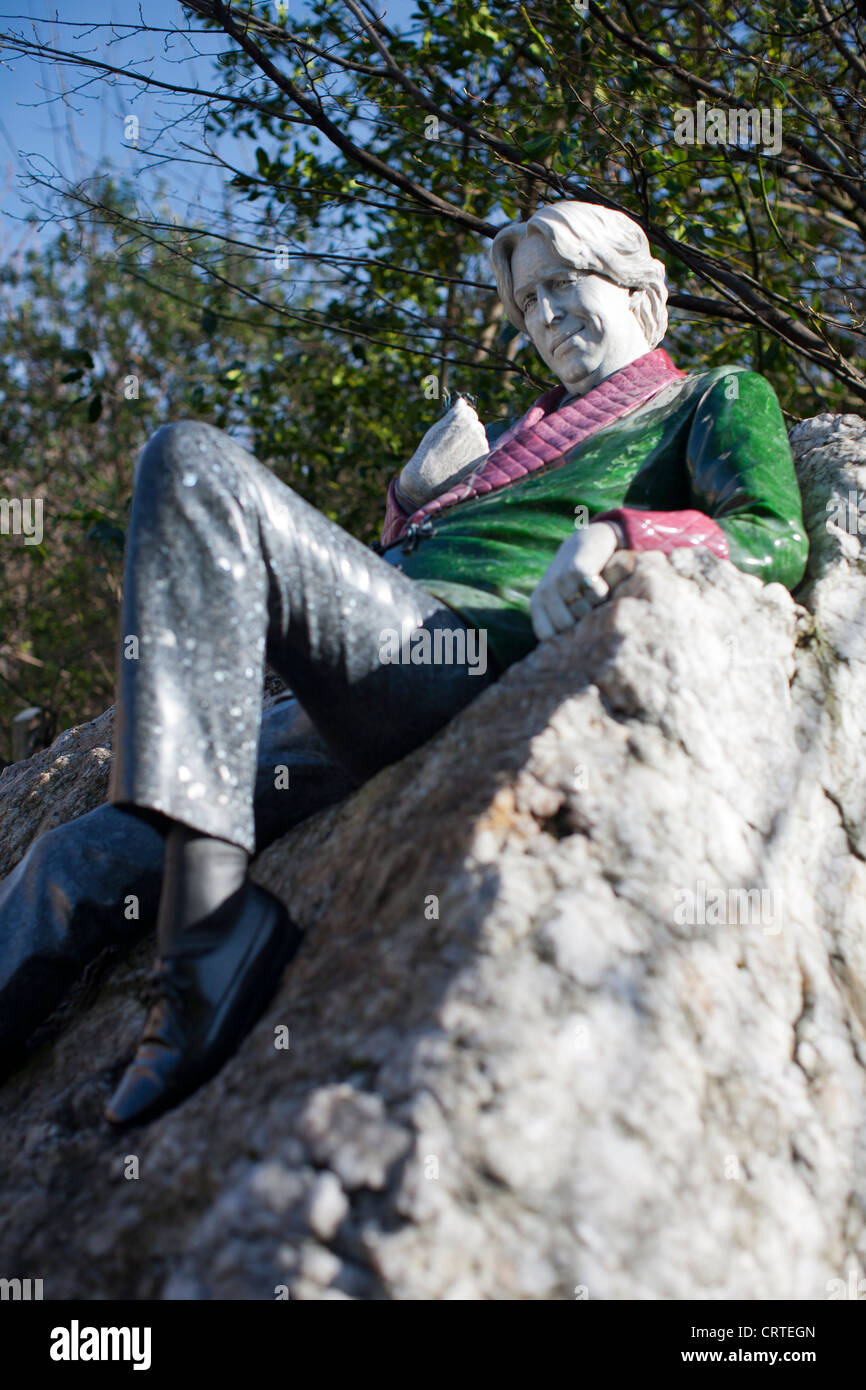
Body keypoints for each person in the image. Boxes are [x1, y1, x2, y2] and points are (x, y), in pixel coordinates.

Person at [0, 201, 808, 1127]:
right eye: (528, 298)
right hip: (363, 689)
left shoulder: (708, 395)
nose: (544, 314)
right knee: (74, 857)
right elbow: (379, 579)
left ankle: (210, 933)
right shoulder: (512, 440)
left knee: (187, 460)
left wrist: (625, 538)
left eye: (565, 284)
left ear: (644, 296)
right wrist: (416, 502)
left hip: (460, 660)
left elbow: (772, 537)